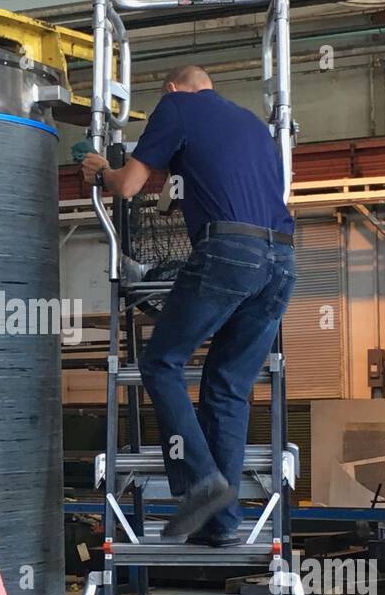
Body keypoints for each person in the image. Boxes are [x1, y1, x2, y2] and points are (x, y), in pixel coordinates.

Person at [83, 65, 296, 545]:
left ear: (172, 86)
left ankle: (202, 484)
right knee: (226, 386)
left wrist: (102, 170)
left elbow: (129, 185)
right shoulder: (253, 127)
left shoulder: (176, 105)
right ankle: (220, 523)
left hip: (228, 254)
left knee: (161, 362)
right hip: (282, 261)